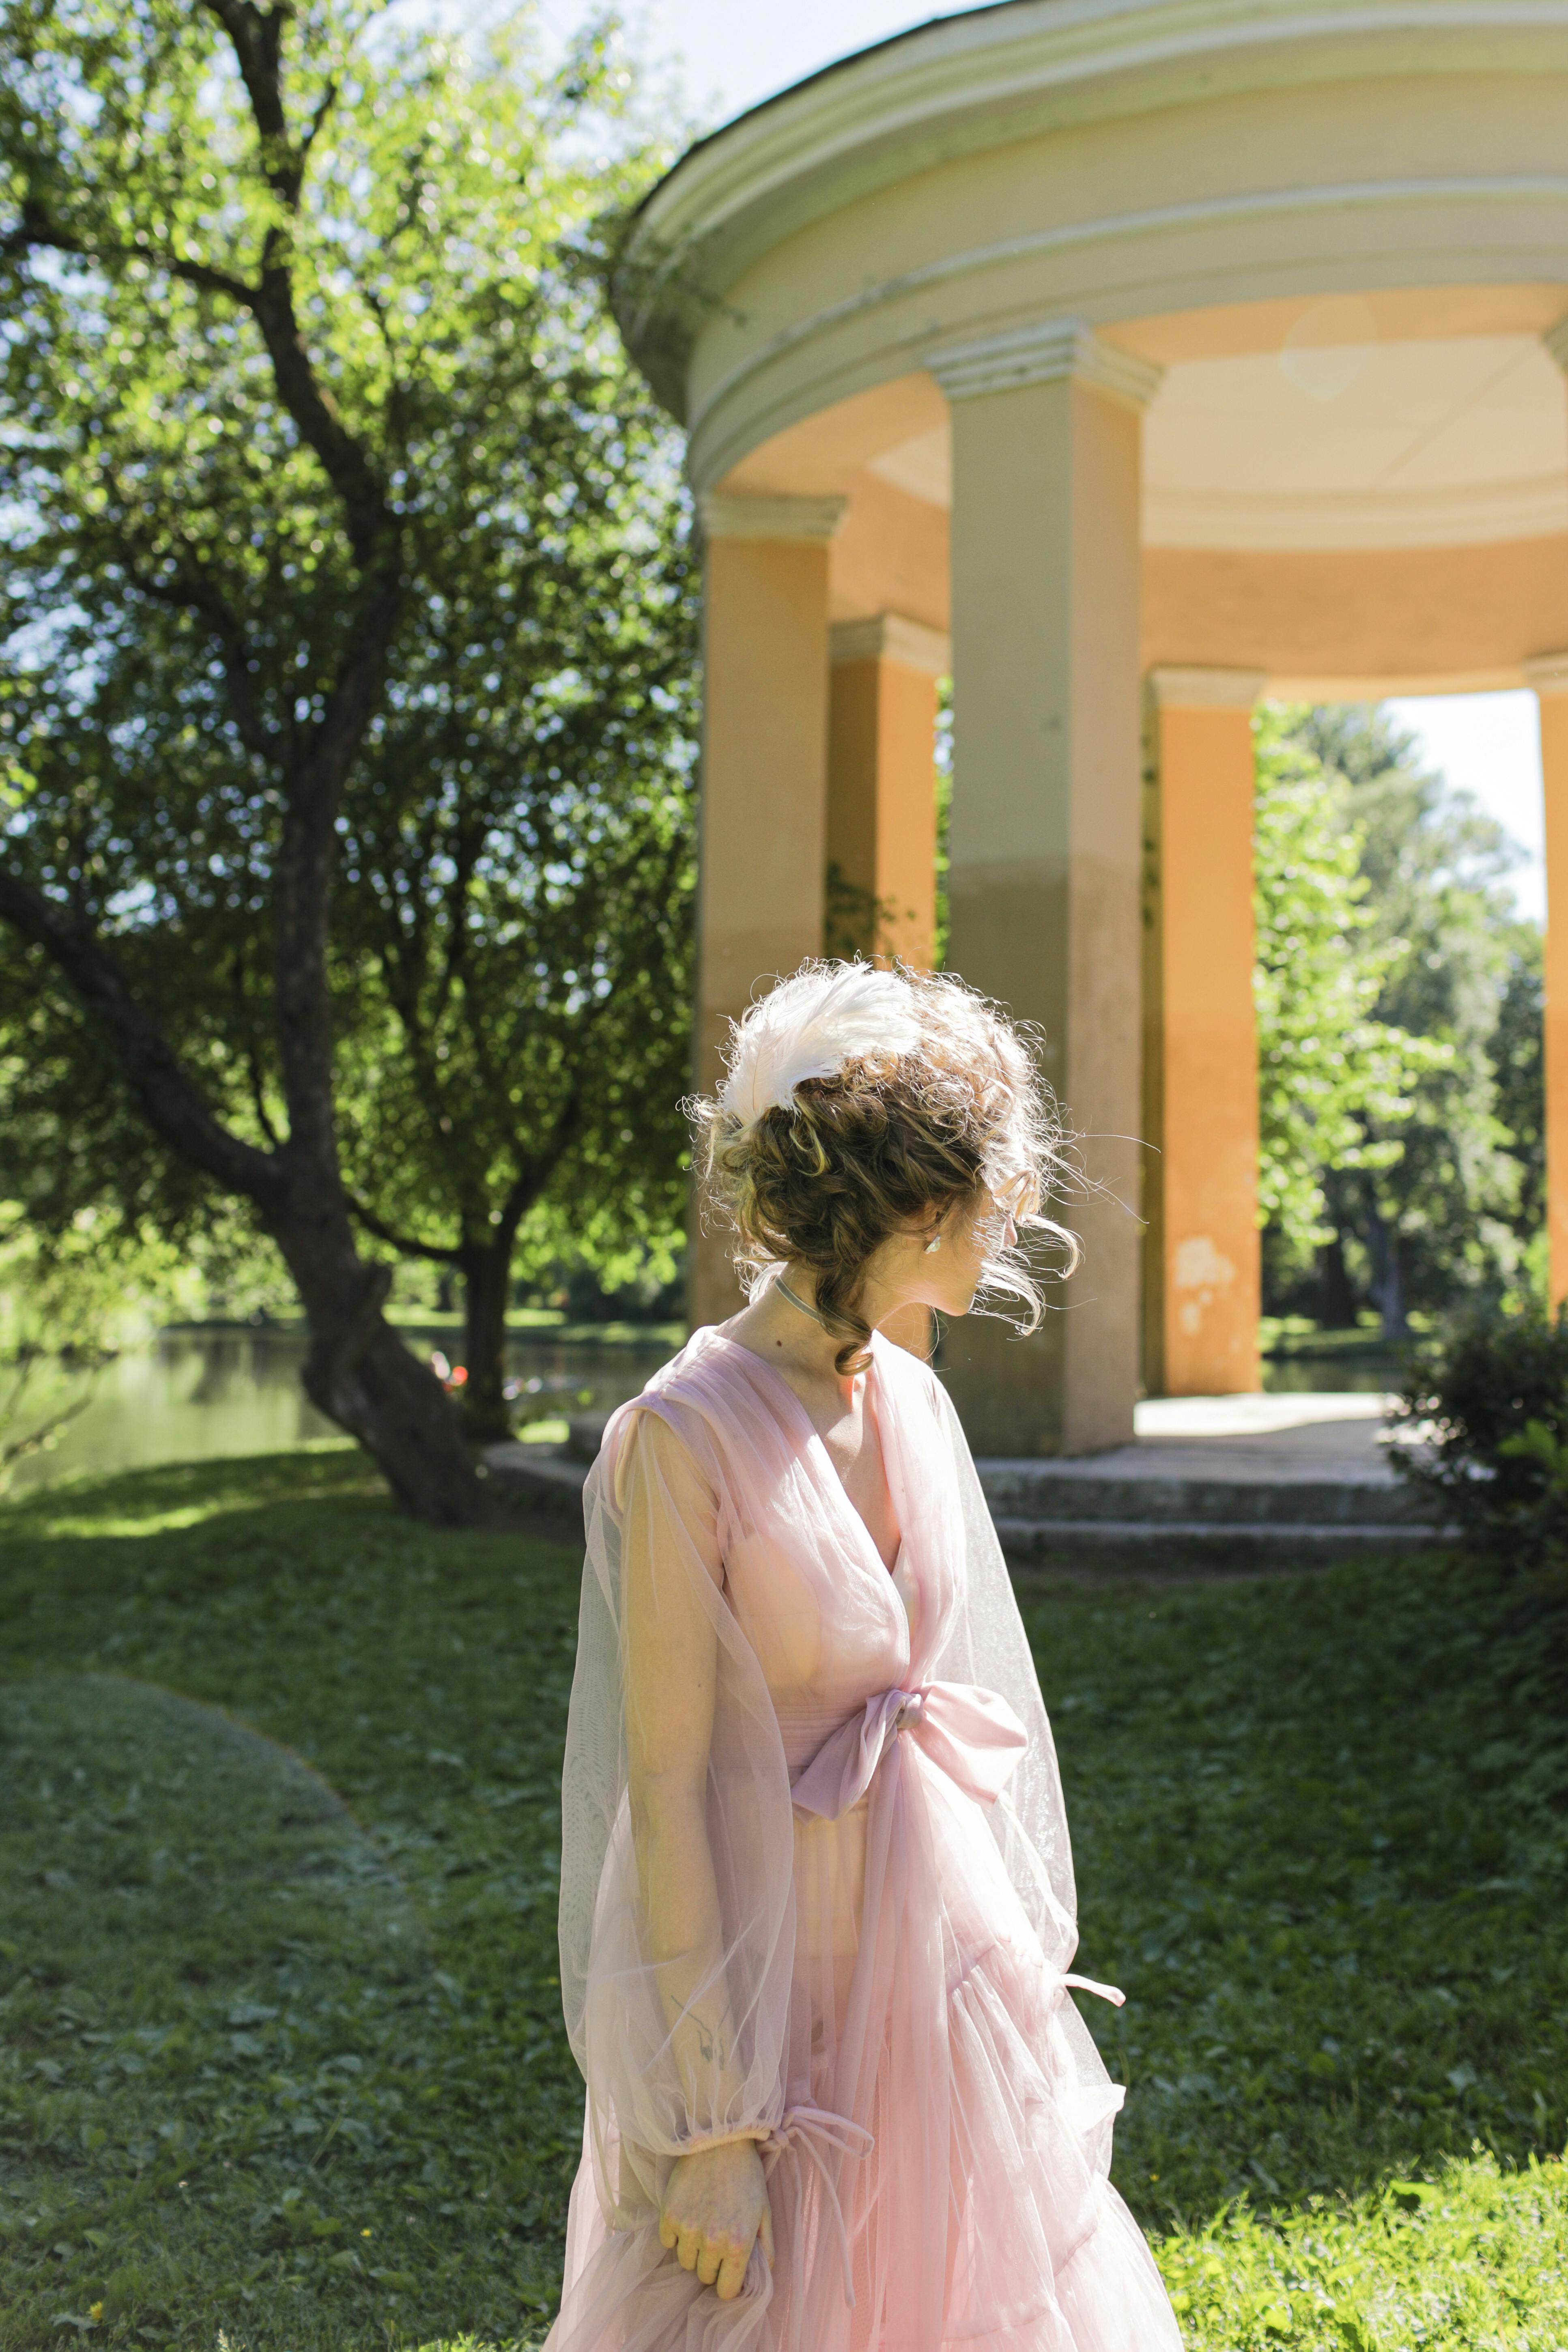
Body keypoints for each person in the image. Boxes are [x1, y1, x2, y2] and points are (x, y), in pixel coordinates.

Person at [545, 962, 1183, 2352]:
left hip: (923, 1976)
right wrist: (712, 2123)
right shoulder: (680, 1439)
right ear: (910, 1207)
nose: (1010, 1227)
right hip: (762, 1998)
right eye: (991, 1198)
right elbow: (660, 1789)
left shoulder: (912, 1397)